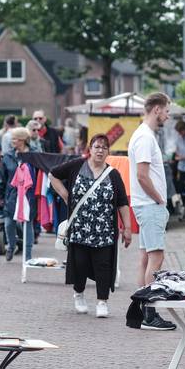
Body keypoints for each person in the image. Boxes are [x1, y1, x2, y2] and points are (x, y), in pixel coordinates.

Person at [49, 133, 132, 318]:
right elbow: (53, 174)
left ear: (108, 151)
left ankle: (102, 301)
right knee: (80, 264)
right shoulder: (77, 166)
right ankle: (78, 294)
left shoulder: (113, 174)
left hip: (104, 231)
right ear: (90, 149)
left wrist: (127, 228)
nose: (100, 150)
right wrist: (65, 195)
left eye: (104, 147)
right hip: (79, 229)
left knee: (103, 266)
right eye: (97, 146)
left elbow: (122, 203)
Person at [128, 92, 176, 330]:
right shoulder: (146, 137)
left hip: (144, 204)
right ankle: (149, 313)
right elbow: (142, 175)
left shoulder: (141, 134)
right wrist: (159, 199)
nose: (167, 116)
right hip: (149, 205)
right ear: (157, 109)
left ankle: (141, 309)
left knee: (146, 257)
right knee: (156, 257)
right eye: (166, 111)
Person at [1, 127, 36, 262]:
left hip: (28, 195)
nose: (12, 141)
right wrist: (0, 195)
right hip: (12, 194)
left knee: (28, 224)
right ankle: (11, 245)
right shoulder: (8, 156)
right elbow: (3, 178)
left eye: (15, 138)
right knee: (9, 223)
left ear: (22, 140)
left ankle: (27, 255)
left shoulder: (34, 156)